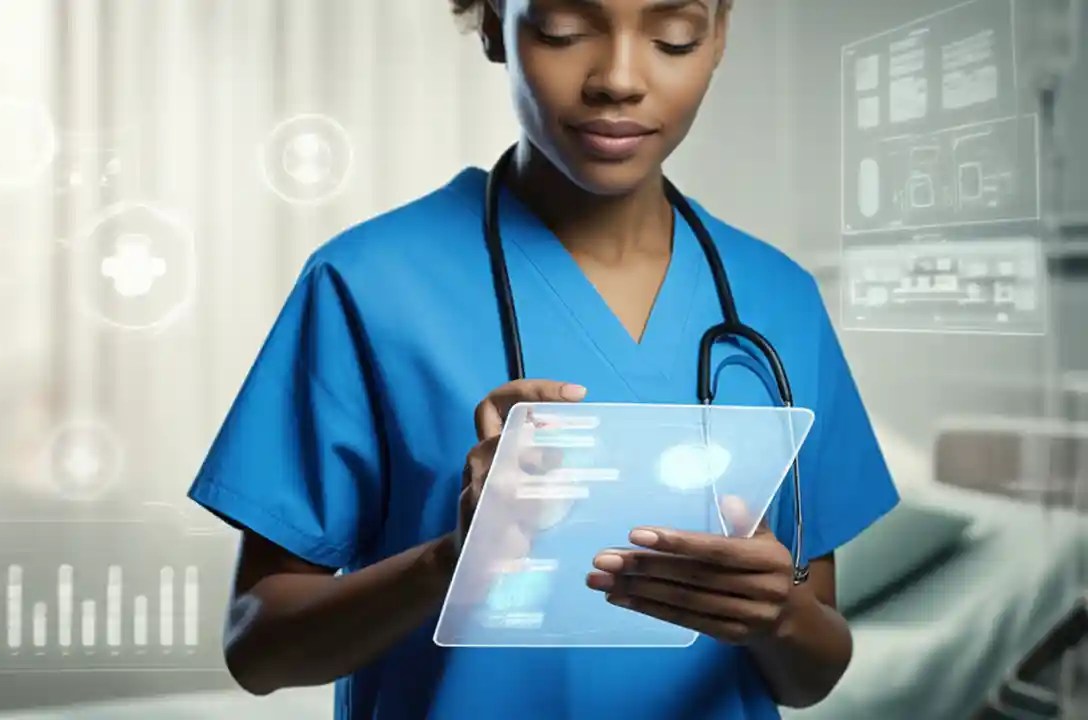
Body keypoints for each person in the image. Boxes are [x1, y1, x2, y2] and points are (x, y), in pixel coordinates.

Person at [187, 0, 899, 717]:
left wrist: (778, 616)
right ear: (495, 23)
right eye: (563, 28)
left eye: (673, 37)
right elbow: (257, 649)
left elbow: (812, 675)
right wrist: (451, 560)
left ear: (718, 35)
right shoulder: (366, 284)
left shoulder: (779, 299)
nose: (619, 79)